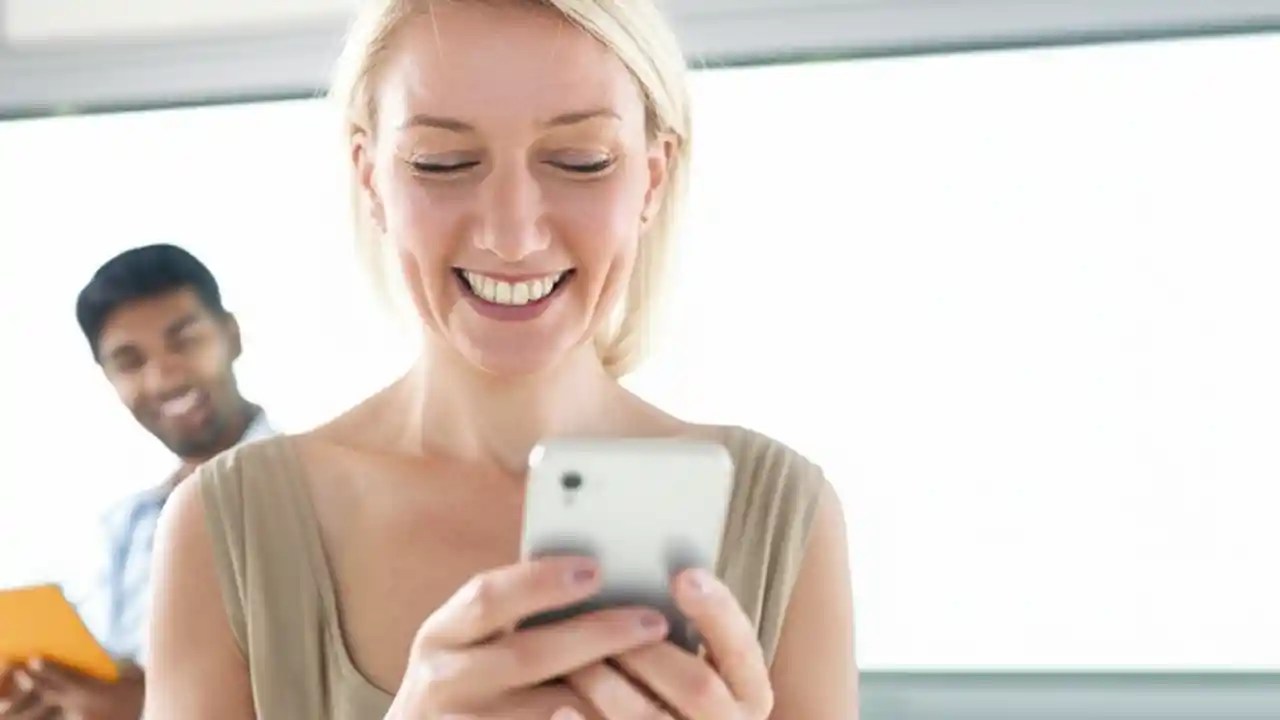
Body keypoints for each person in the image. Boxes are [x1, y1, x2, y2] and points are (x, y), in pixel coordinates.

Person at [145, 1, 857, 718]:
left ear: (652, 177)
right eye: (442, 163)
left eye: (581, 161)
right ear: (370, 180)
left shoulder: (781, 516)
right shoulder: (226, 527)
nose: (512, 235)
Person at [0, 244, 273, 720]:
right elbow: (104, 674)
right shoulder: (124, 531)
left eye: (185, 340)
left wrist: (148, 707)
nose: (164, 377)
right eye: (130, 361)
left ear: (231, 335)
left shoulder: (320, 487)